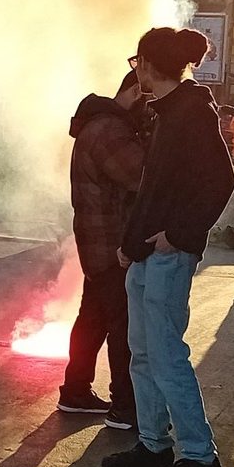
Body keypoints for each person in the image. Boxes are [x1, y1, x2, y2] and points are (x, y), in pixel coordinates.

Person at [102, 28, 234, 467]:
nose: (134, 68)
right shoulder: (166, 112)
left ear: (149, 65)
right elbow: (152, 189)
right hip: (146, 253)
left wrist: (176, 236)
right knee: (142, 353)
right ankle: (152, 442)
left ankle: (199, 456)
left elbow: (221, 182)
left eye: (137, 61)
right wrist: (130, 243)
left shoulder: (193, 114)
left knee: (166, 356)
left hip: (168, 255)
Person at [59, 69, 148, 429]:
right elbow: (142, 176)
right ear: (136, 93)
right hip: (111, 243)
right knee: (122, 325)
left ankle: (75, 391)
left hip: (98, 241)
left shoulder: (102, 125)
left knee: (93, 319)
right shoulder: (111, 131)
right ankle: (125, 405)